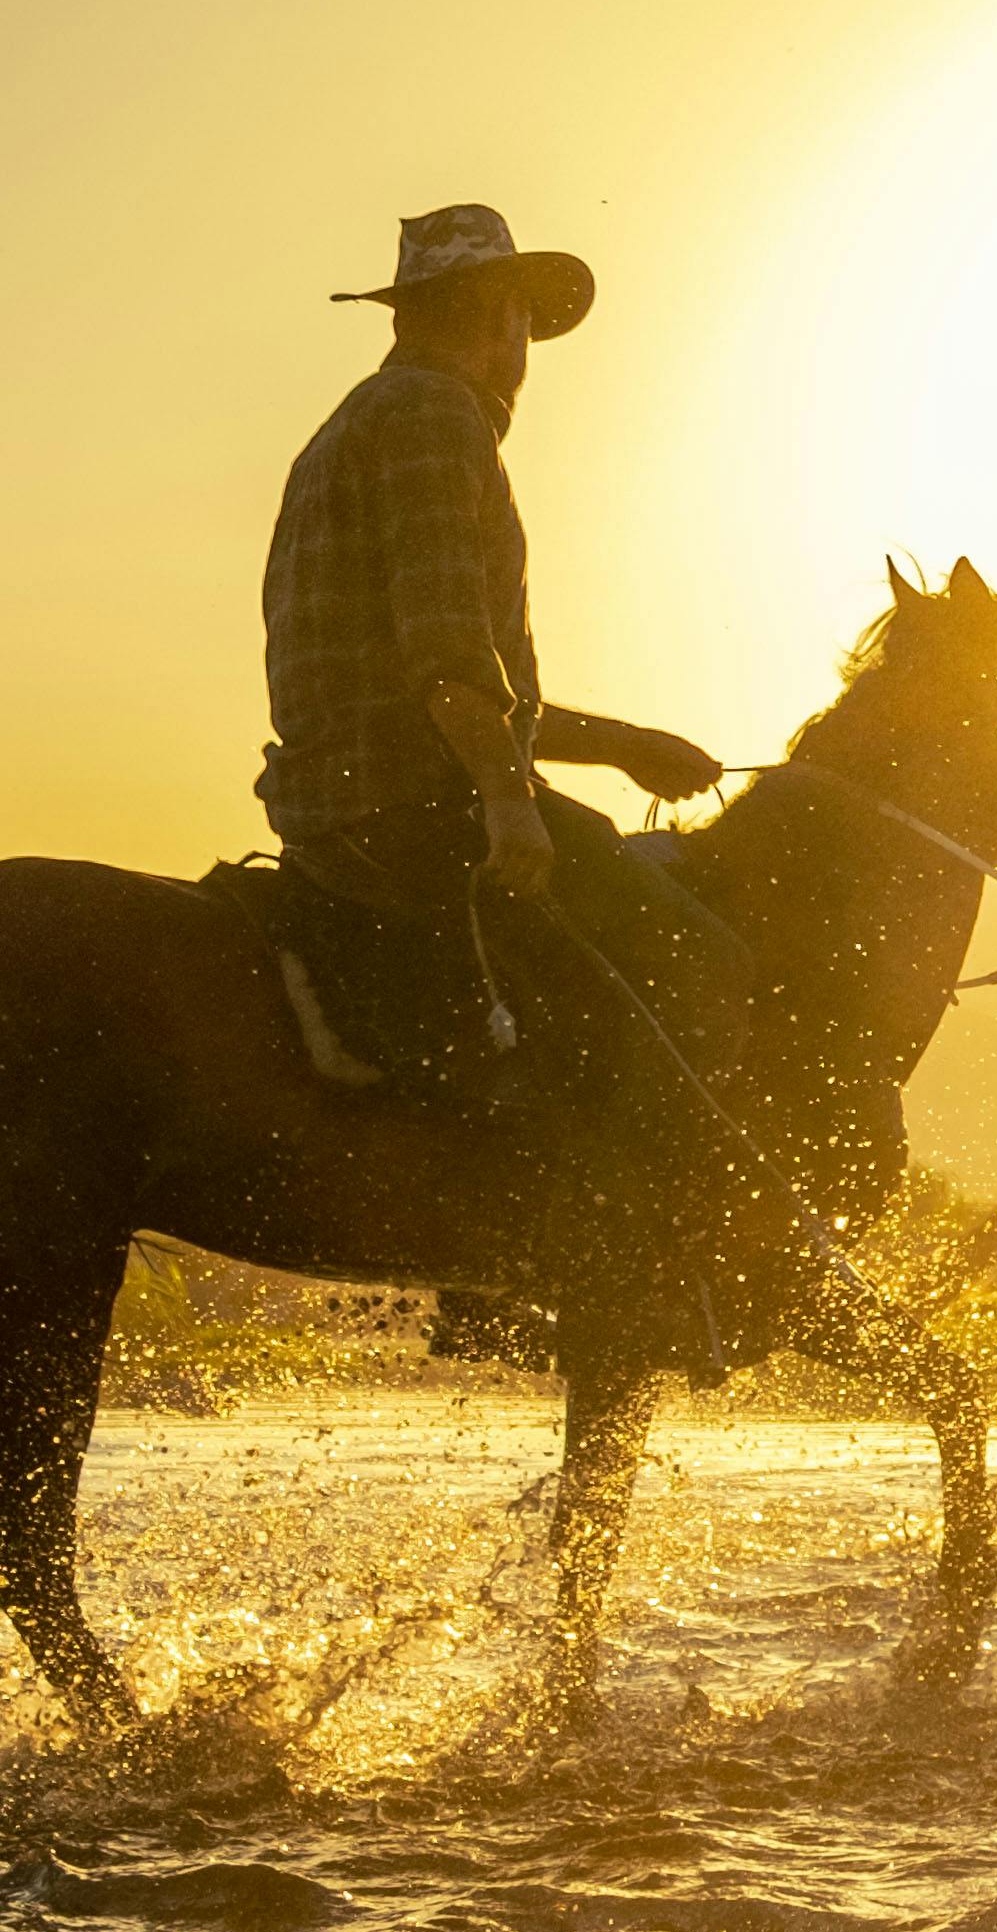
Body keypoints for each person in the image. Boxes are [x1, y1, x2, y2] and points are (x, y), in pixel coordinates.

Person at [254, 203, 743, 1210]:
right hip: (416, 800)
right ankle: (625, 1251)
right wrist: (507, 798)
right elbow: (446, 658)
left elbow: (444, 677)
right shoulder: (436, 416)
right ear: (494, 313)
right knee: (699, 963)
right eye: (520, 316)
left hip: (345, 796)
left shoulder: (357, 425)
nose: (525, 345)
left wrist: (621, 746)